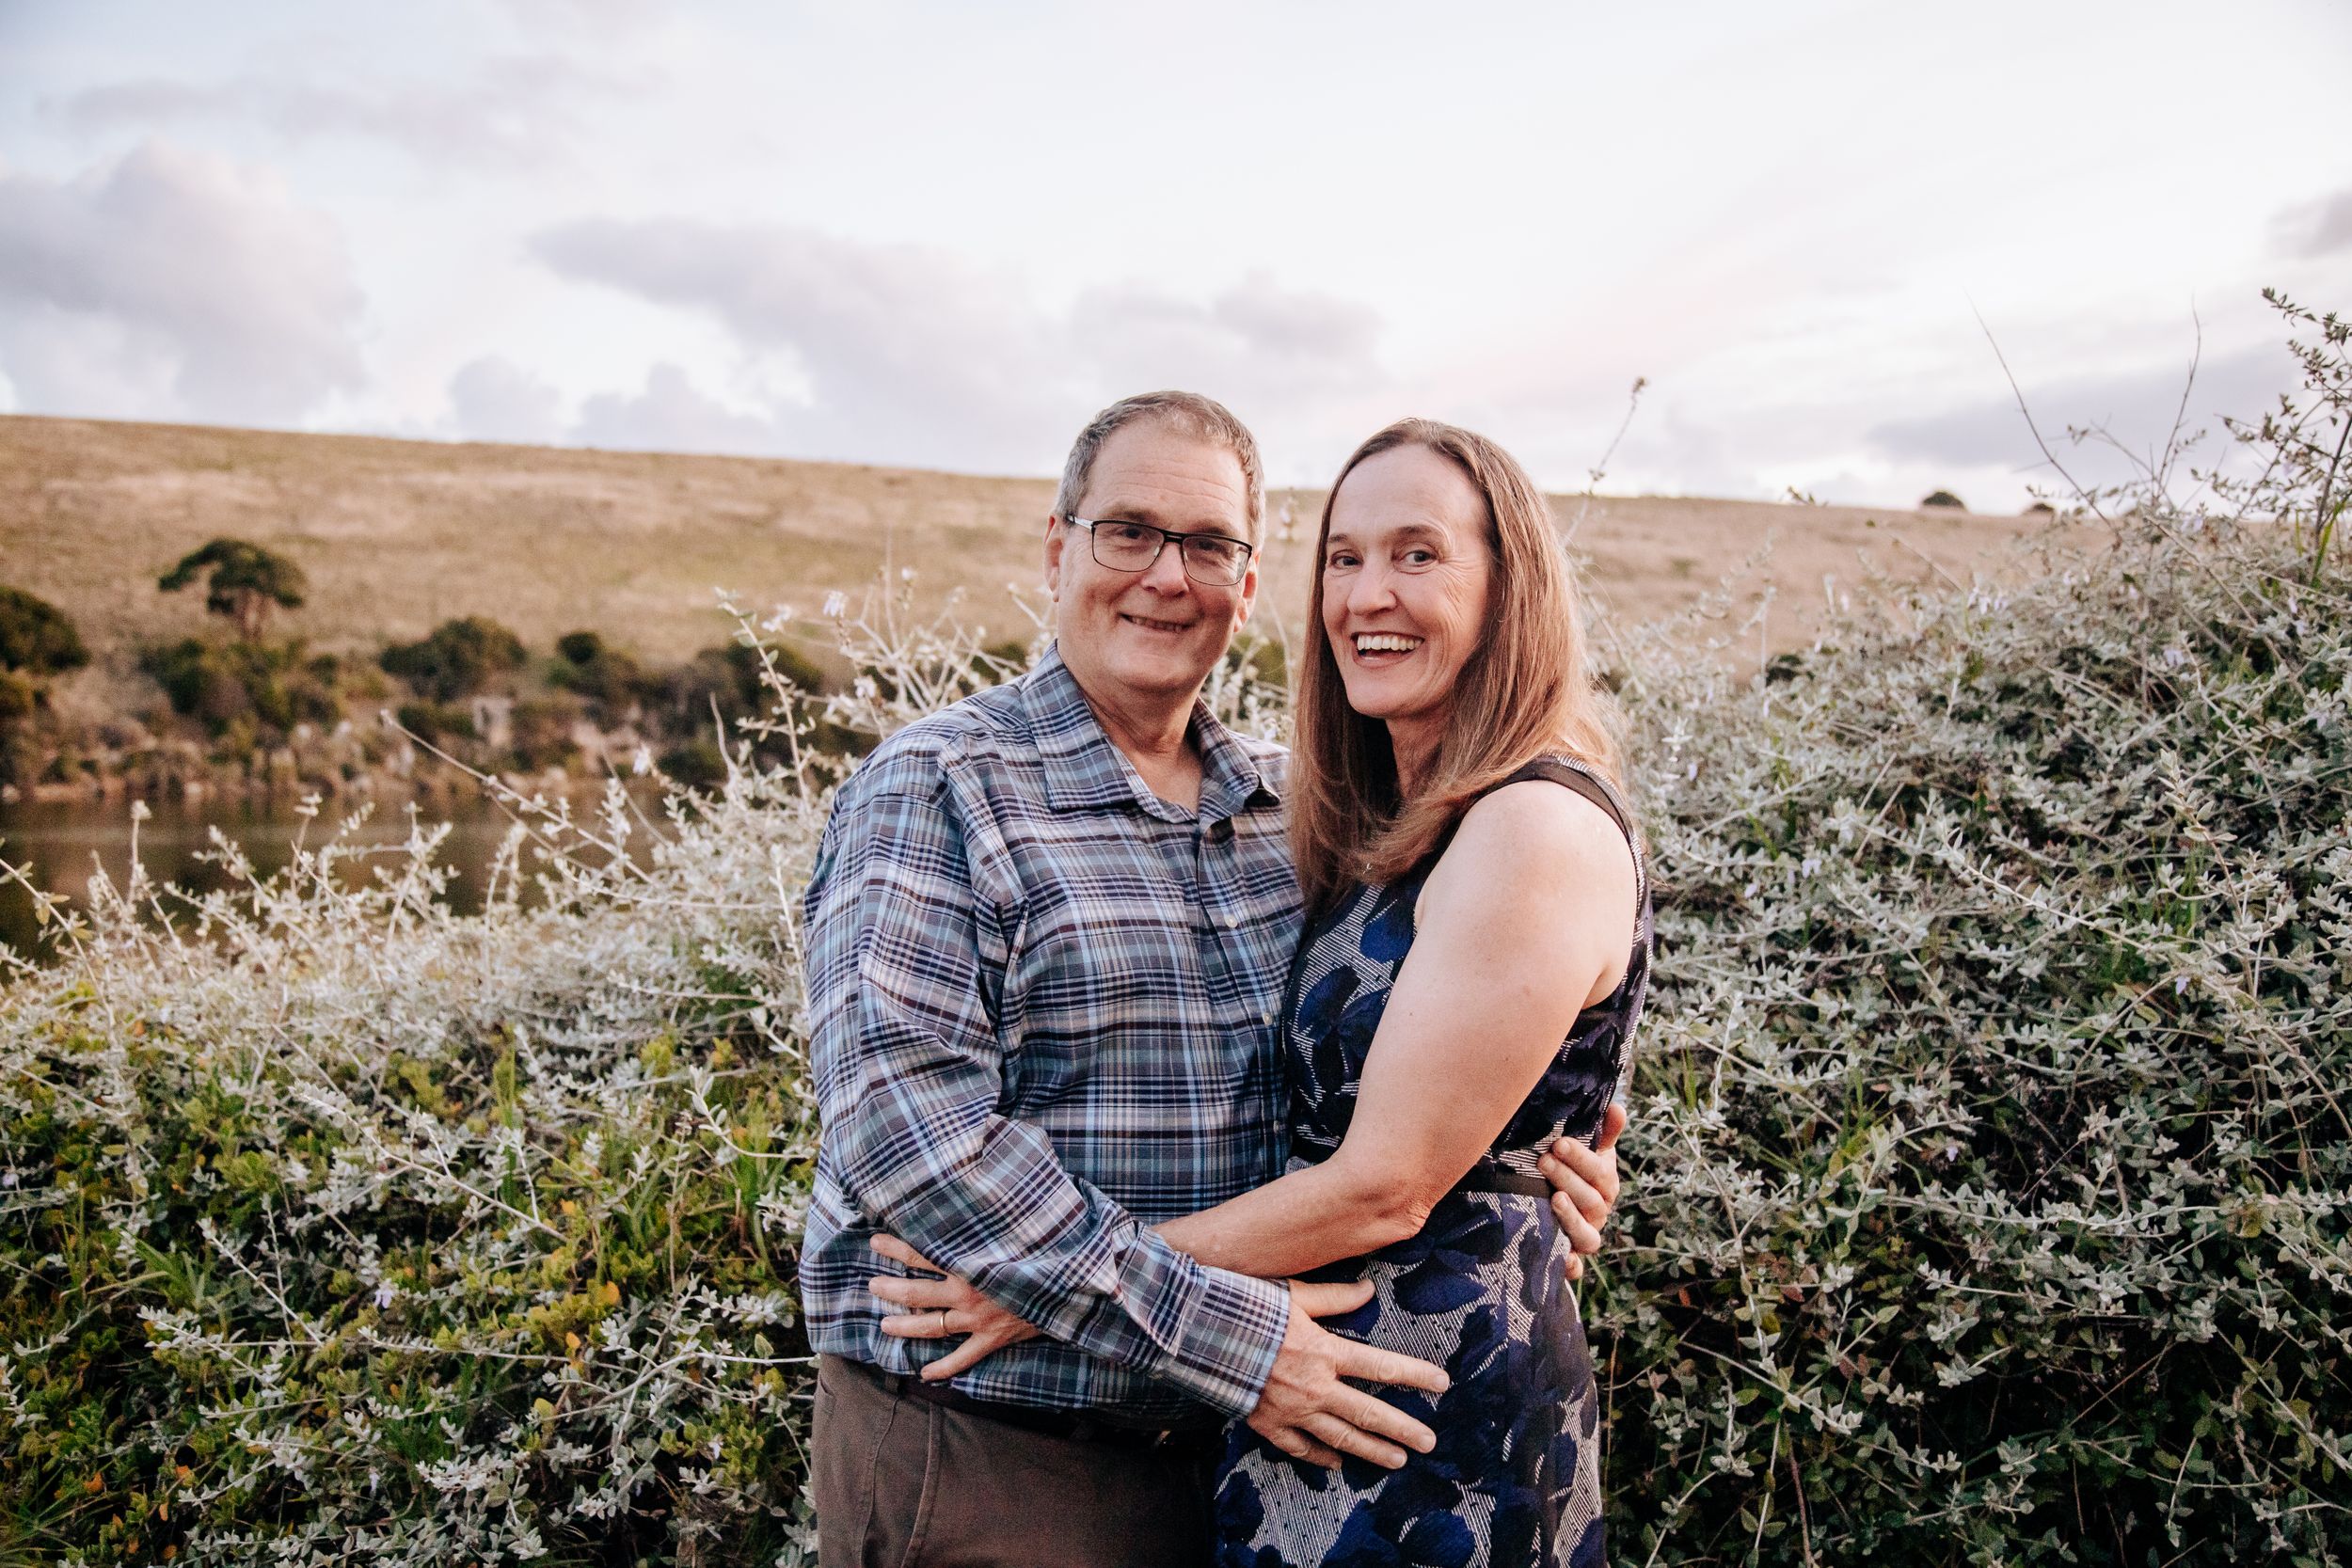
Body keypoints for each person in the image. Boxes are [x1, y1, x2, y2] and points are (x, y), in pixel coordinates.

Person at [800, 393, 1626, 1567]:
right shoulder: (937, 787)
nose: (1165, 577)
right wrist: (1229, 1337)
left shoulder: (1306, 811)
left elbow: (1409, 1080)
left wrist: (1531, 1171)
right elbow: (913, 1143)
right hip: (1004, 1451)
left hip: (1264, 1454)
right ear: (1056, 547)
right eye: (1126, 531)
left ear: (1247, 586)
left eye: (1208, 546)